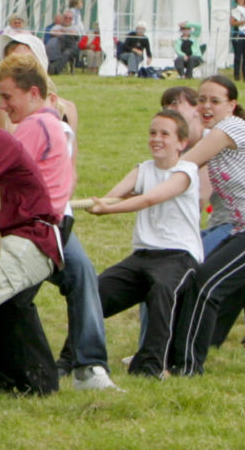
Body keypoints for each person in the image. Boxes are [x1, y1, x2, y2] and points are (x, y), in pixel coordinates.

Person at [0, 53, 115, 390]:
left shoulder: (35, 127)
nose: (3, 106)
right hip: (49, 224)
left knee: (10, 296)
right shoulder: (51, 124)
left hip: (37, 228)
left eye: (8, 97)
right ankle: (37, 376)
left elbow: (0, 169)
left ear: (33, 93)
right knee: (17, 302)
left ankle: (57, 374)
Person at [166, 77, 245, 376]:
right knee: (200, 280)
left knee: (204, 283)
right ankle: (173, 355)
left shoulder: (233, 128)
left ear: (232, 105)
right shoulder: (216, 133)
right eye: (202, 100)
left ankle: (186, 366)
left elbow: (184, 164)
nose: (206, 106)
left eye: (214, 100)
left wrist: (133, 192)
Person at [79, 110, 203, 378]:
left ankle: (151, 366)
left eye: (164, 134)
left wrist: (108, 210)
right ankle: (76, 359)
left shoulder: (186, 171)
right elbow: (112, 196)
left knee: (162, 291)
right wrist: (99, 203)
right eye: (152, 133)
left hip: (179, 256)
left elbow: (150, 199)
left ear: (182, 143)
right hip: (143, 256)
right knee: (93, 293)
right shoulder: (142, 169)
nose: (156, 139)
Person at [0, 125, 62, 396]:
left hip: (31, 239)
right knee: (12, 309)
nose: (5, 104)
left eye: (8, 96)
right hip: (10, 237)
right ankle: (0, 378)